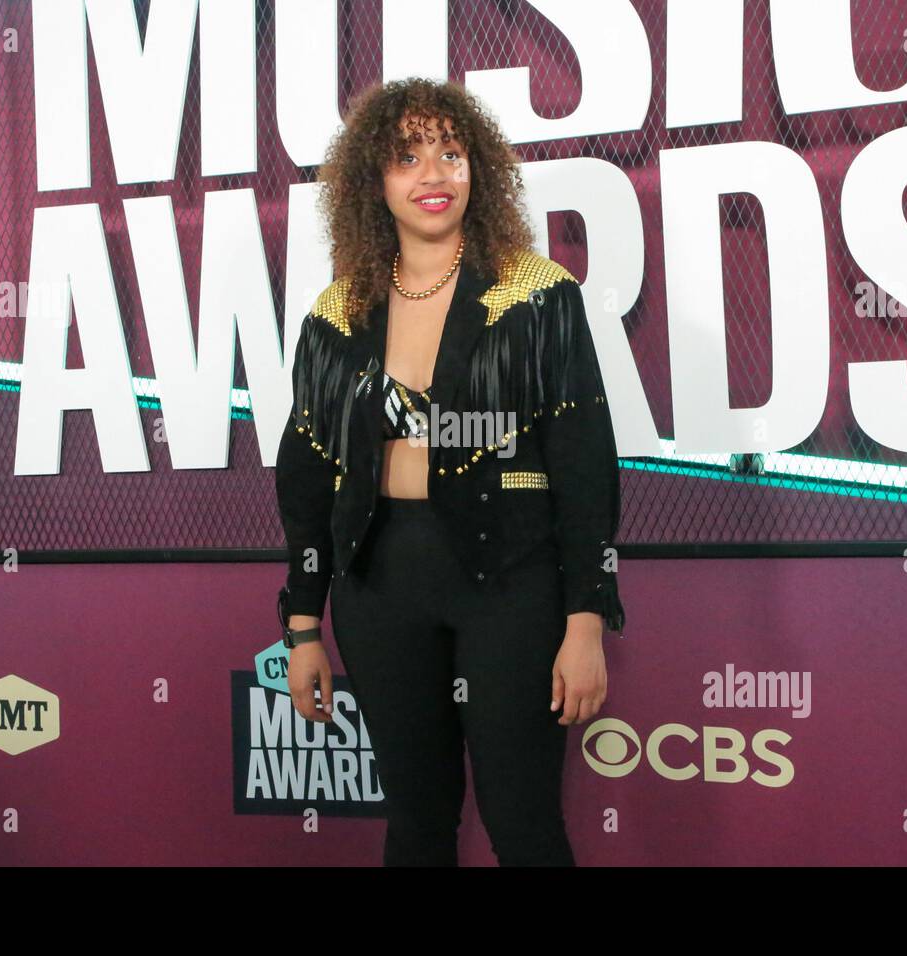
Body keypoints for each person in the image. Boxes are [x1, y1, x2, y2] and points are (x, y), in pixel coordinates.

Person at [274, 77, 624, 866]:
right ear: (375, 181)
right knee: (417, 822)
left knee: (523, 820)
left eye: (451, 153)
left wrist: (586, 617)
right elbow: (306, 484)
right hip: (380, 587)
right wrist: (302, 628)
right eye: (407, 158)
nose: (433, 175)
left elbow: (584, 468)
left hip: (512, 583)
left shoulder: (538, 295)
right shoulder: (335, 316)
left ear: (480, 170)